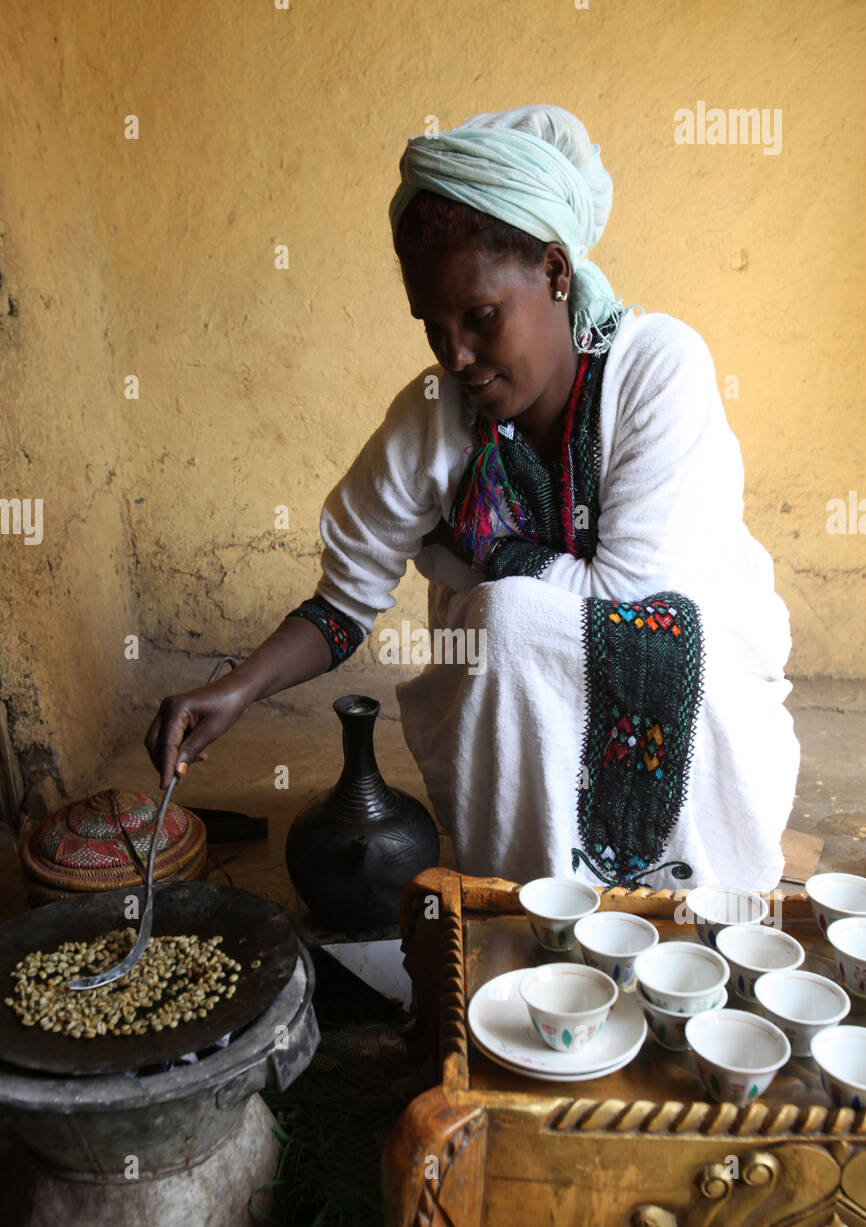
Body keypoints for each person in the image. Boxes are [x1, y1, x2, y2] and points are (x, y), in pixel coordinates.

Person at [146, 105, 800, 892]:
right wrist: (237, 688)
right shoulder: (437, 413)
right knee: (504, 625)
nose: (456, 353)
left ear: (556, 274)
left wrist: (482, 565)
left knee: (508, 618)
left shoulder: (658, 369)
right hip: (516, 702)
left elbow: (633, 602)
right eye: (432, 325)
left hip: (694, 693)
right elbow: (347, 600)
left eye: (482, 317)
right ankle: (531, 912)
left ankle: (650, 889)